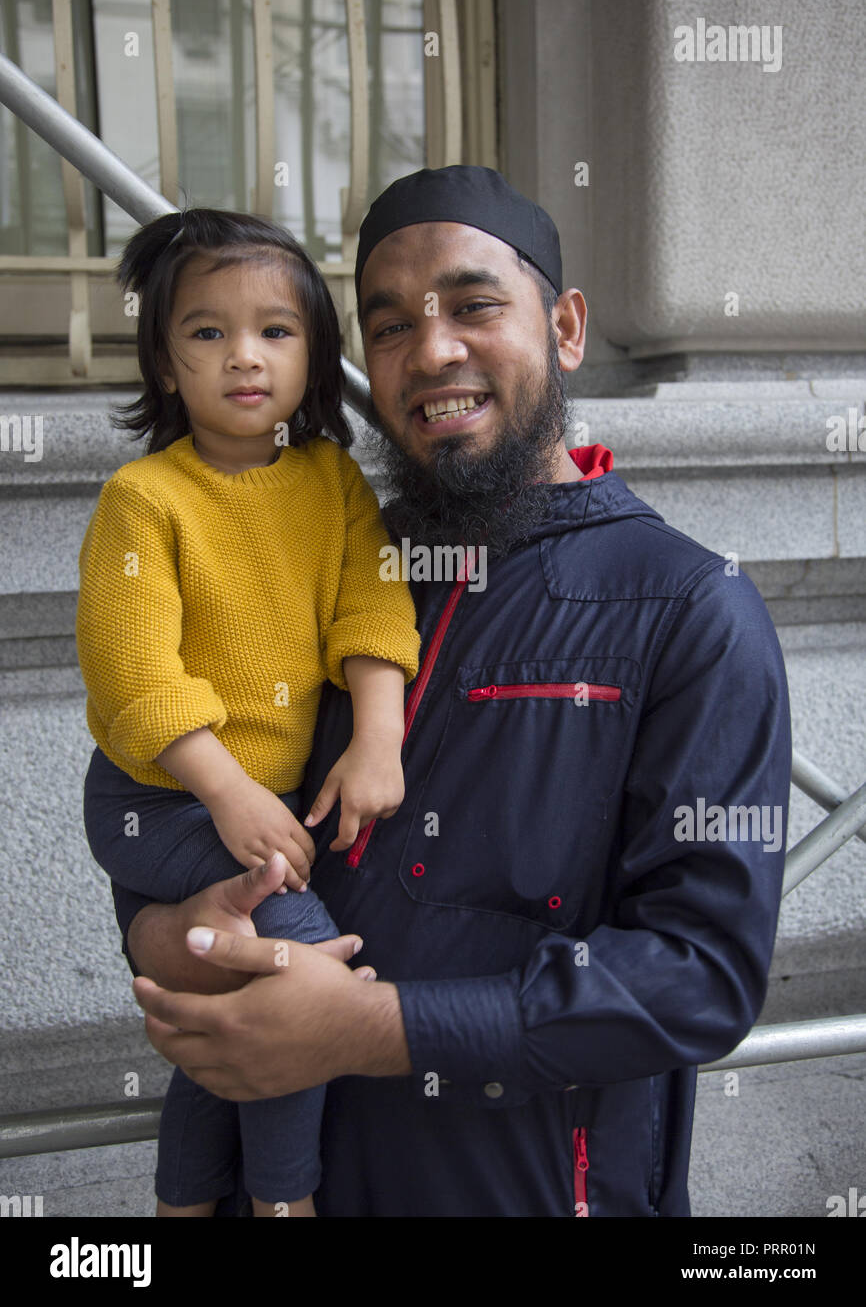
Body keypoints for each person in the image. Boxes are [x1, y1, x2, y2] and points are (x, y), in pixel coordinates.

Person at [118, 167, 792, 1217]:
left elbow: (697, 974)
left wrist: (375, 1027)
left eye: (474, 306)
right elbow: (167, 809)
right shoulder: (314, 572)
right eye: (387, 326)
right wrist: (170, 936)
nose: (430, 351)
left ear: (565, 327)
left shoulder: (689, 608)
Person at [76, 208, 420, 1217]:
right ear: (164, 361)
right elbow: (135, 670)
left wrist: (377, 736)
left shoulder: (330, 480)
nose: (243, 357)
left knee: (218, 1011)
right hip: (165, 795)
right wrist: (224, 791)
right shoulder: (145, 500)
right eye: (206, 331)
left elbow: (371, 605)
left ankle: (182, 1205)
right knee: (300, 969)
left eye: (275, 330)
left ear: (315, 355)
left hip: (261, 797)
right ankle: (284, 1201)